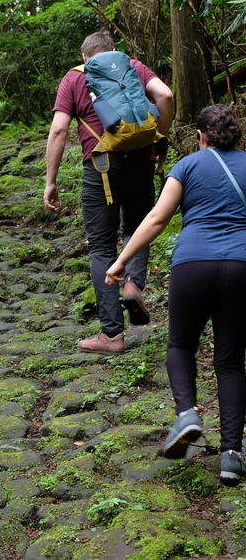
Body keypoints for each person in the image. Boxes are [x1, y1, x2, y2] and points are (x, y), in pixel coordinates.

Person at [106, 104, 246, 483]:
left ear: (201, 135)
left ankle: (187, 414)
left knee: (180, 346)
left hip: (193, 264)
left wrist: (122, 261)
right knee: (231, 362)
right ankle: (232, 454)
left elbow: (156, 218)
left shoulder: (186, 166)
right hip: (241, 267)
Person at [44, 30, 174, 355]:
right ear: (114, 51)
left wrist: (51, 180)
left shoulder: (75, 78)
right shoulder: (133, 67)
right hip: (141, 163)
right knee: (137, 229)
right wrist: (160, 138)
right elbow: (166, 96)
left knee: (102, 247)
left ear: (85, 58)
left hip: (101, 168)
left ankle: (112, 335)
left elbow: (59, 128)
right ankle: (133, 284)